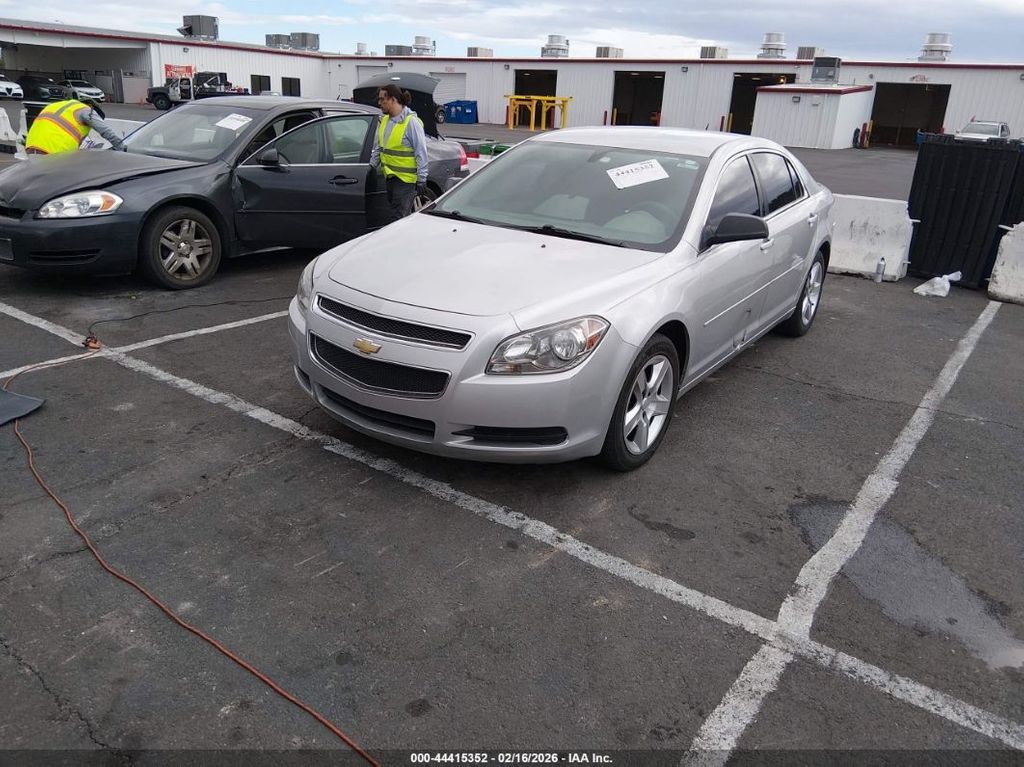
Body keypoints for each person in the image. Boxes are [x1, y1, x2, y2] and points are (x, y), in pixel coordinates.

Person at [369, 84, 428, 221]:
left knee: (399, 219)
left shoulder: (411, 123)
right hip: (390, 178)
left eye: (382, 99)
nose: (379, 103)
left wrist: (422, 178)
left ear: (393, 100)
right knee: (398, 216)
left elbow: (421, 151)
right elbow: (380, 147)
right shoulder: (385, 120)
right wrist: (371, 165)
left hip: (405, 181)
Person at [25, 98, 124, 155]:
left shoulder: (58, 106)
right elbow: (105, 130)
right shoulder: (86, 110)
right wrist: (120, 147)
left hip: (31, 147)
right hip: (53, 151)